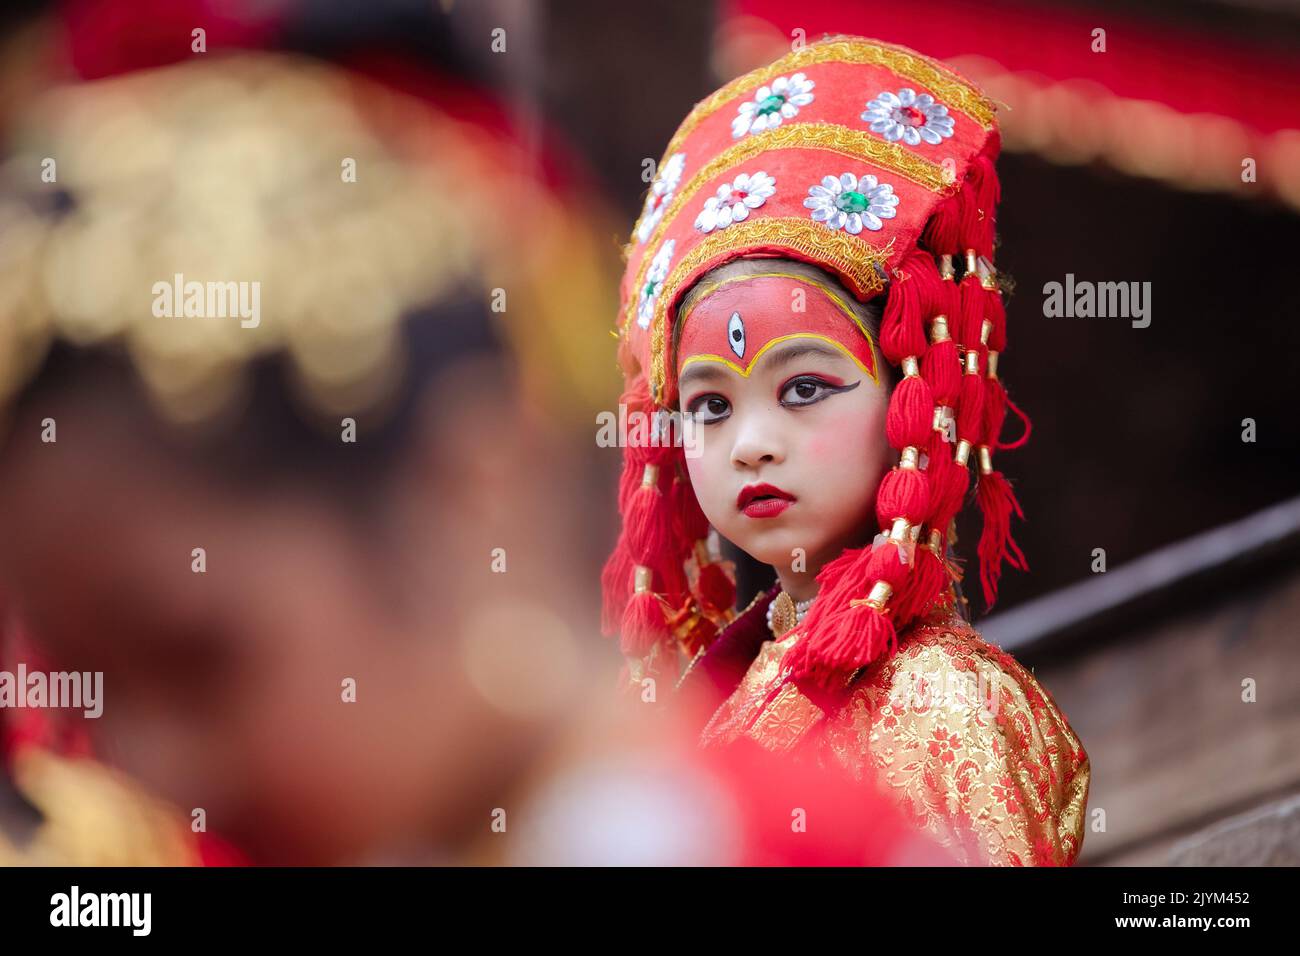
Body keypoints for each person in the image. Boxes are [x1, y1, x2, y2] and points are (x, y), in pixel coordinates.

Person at [600, 34, 1090, 866]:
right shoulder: (723, 694)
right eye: (710, 405)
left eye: (803, 389)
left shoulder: (943, 701)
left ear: (910, 395)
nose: (751, 444)